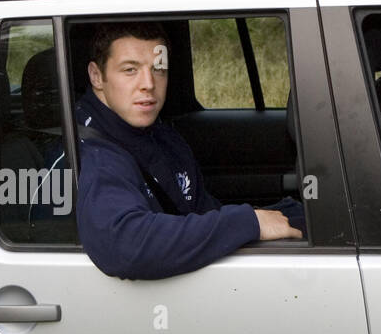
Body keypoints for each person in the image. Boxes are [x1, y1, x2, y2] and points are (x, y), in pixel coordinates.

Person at [75, 20, 302, 280]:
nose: (148, 83)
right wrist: (248, 223)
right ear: (96, 76)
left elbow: (199, 210)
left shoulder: (159, 134)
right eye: (130, 70)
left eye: (159, 69)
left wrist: (278, 218)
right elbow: (124, 243)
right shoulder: (96, 153)